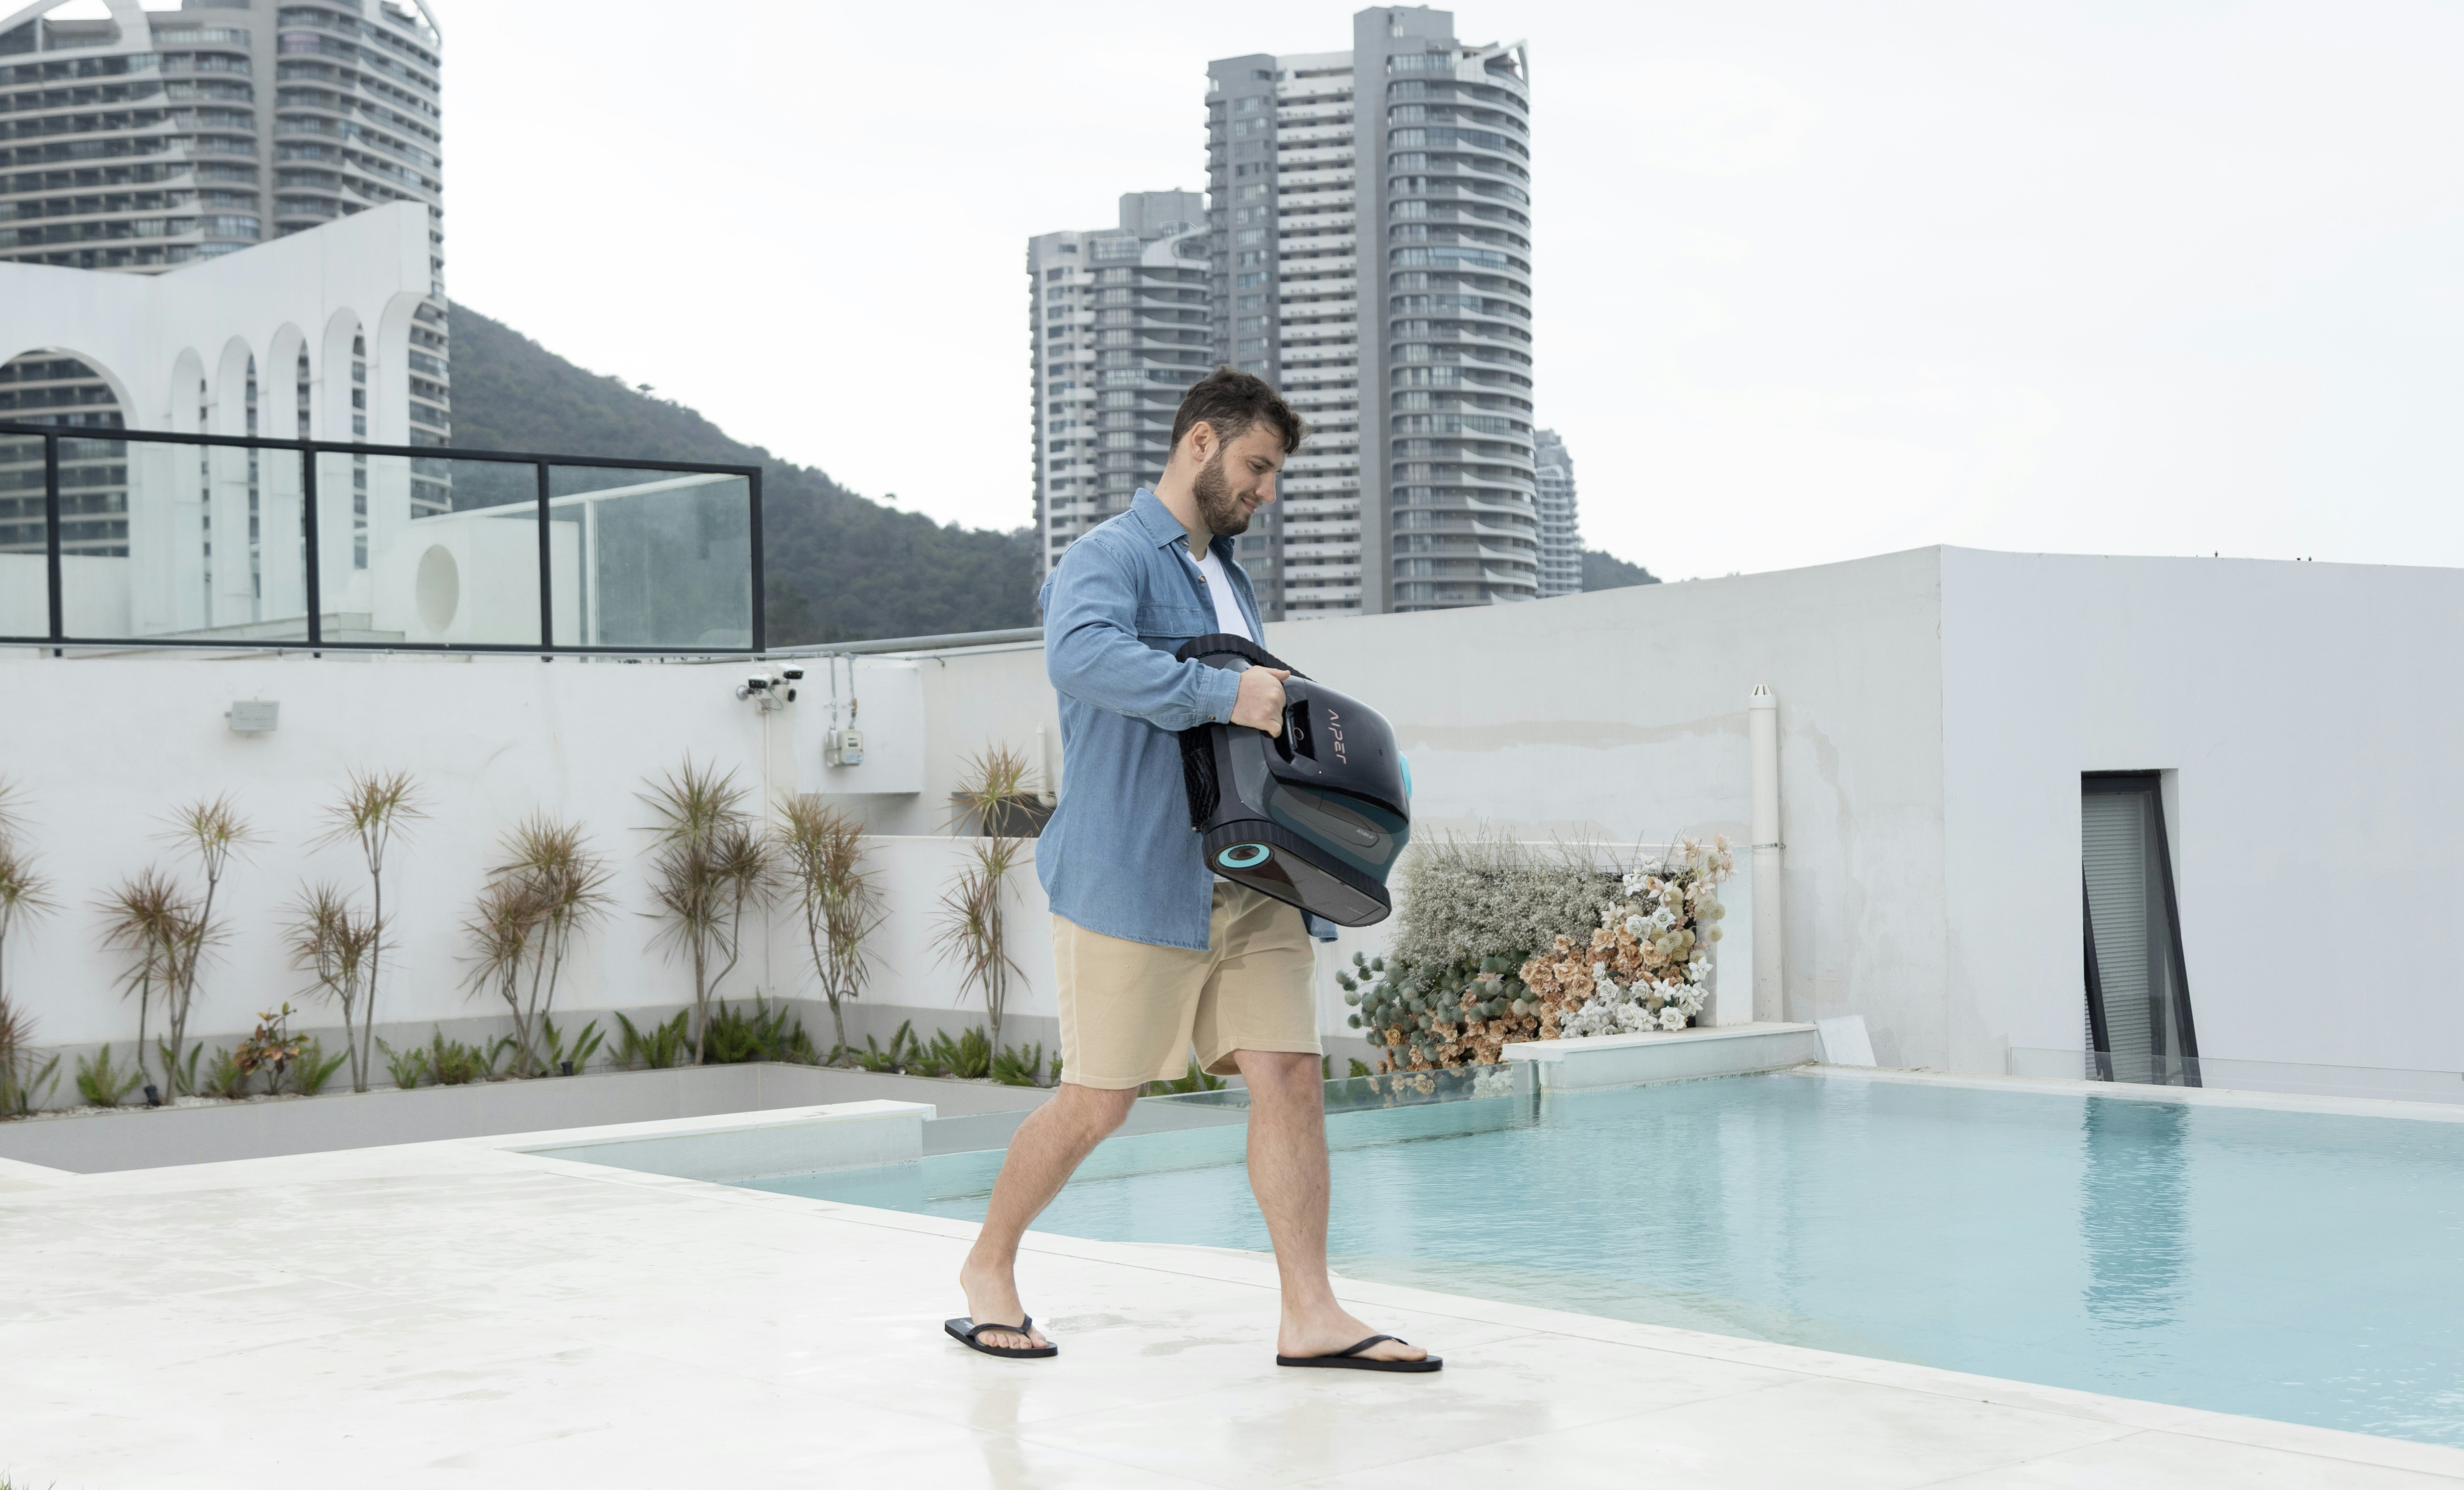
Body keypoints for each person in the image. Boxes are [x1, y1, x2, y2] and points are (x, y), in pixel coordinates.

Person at [945, 368, 1438, 1373]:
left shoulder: (1228, 575)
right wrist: (1226, 693)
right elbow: (1080, 658)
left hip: (1249, 877)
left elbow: (1240, 706)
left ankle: (1310, 1313)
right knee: (1099, 1101)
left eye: (1274, 475)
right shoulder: (1110, 554)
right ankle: (986, 1269)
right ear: (1202, 444)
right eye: (1257, 468)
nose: (1266, 491)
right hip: (1133, 877)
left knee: (1290, 1077)